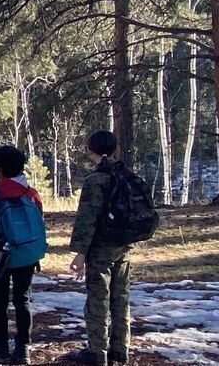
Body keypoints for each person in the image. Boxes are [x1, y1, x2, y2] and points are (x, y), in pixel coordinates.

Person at [65, 131, 131, 366]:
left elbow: (87, 218)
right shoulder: (123, 174)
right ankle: (120, 349)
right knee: (120, 297)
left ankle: (97, 351)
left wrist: (80, 253)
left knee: (98, 298)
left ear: (90, 150)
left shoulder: (96, 179)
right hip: (123, 245)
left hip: (101, 247)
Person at [0, 145, 44, 364]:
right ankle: (23, 348)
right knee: (23, 299)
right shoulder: (31, 194)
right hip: (27, 253)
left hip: (0, 254)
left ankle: (0, 347)